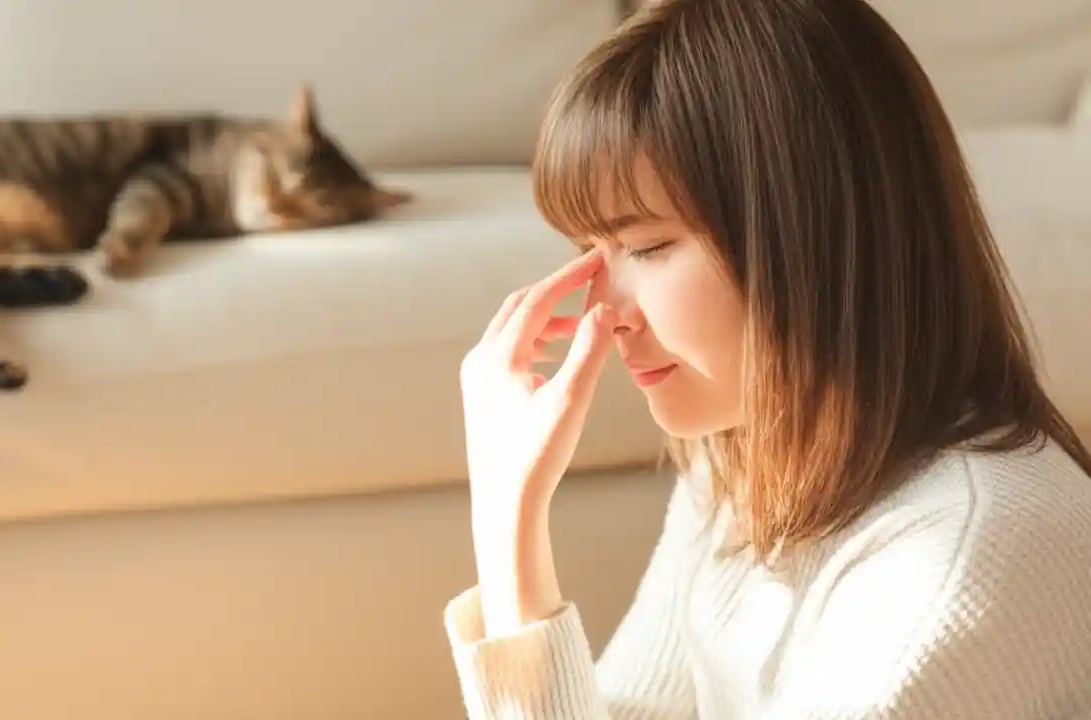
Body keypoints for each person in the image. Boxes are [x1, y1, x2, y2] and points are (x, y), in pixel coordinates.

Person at [444, 0, 1091, 717]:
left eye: (648, 247)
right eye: (588, 254)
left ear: (811, 232)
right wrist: (509, 521)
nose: (603, 313)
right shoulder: (747, 457)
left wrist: (509, 525)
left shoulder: (964, 555)